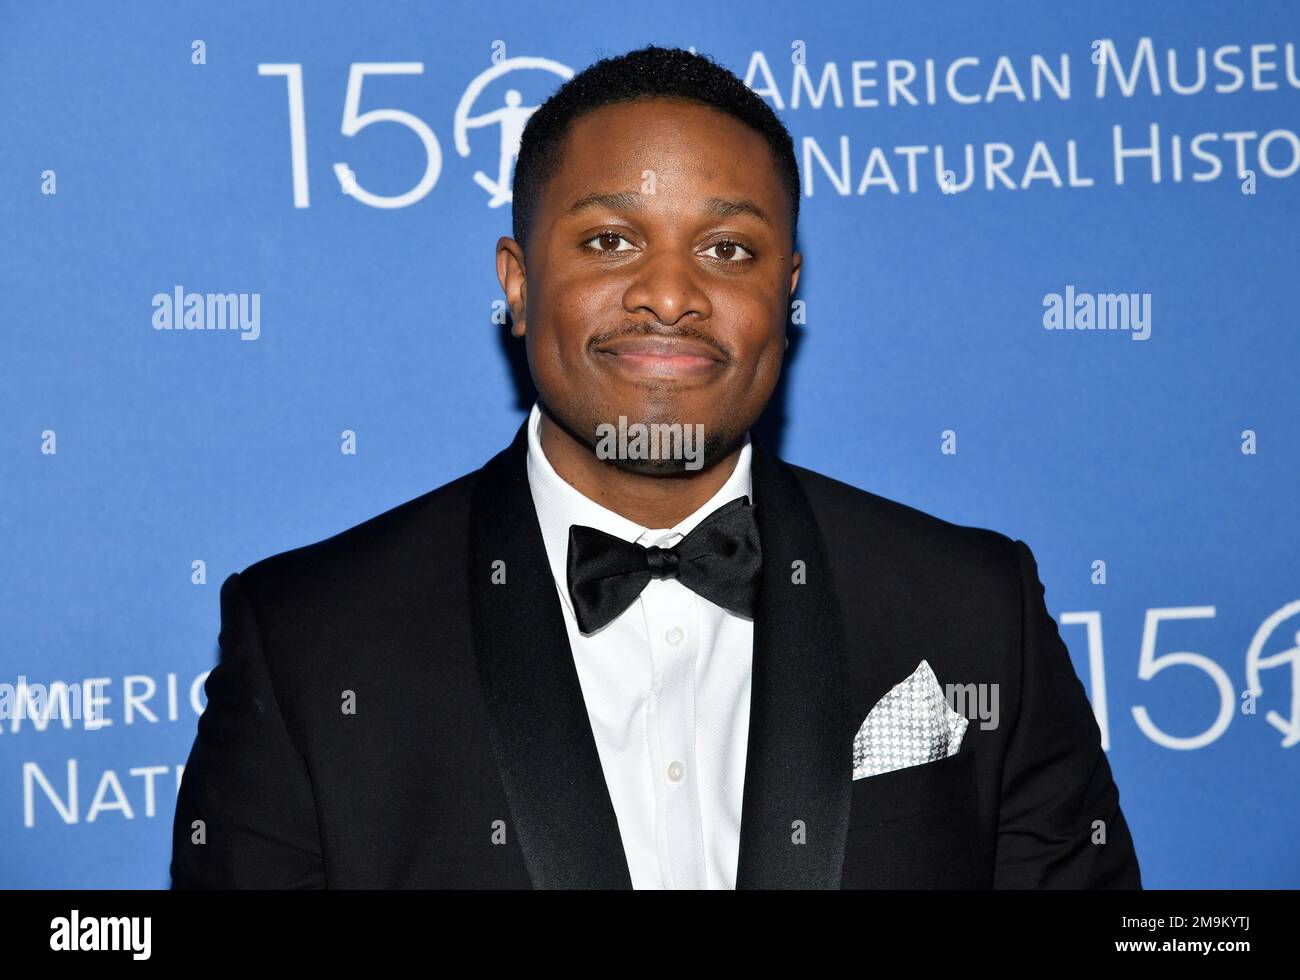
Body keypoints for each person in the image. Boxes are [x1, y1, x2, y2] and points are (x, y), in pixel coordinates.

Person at [170, 44, 1141, 889]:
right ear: (516, 281)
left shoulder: (971, 610)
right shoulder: (312, 639)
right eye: (608, 240)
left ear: (786, 289)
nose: (671, 294)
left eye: (727, 247)